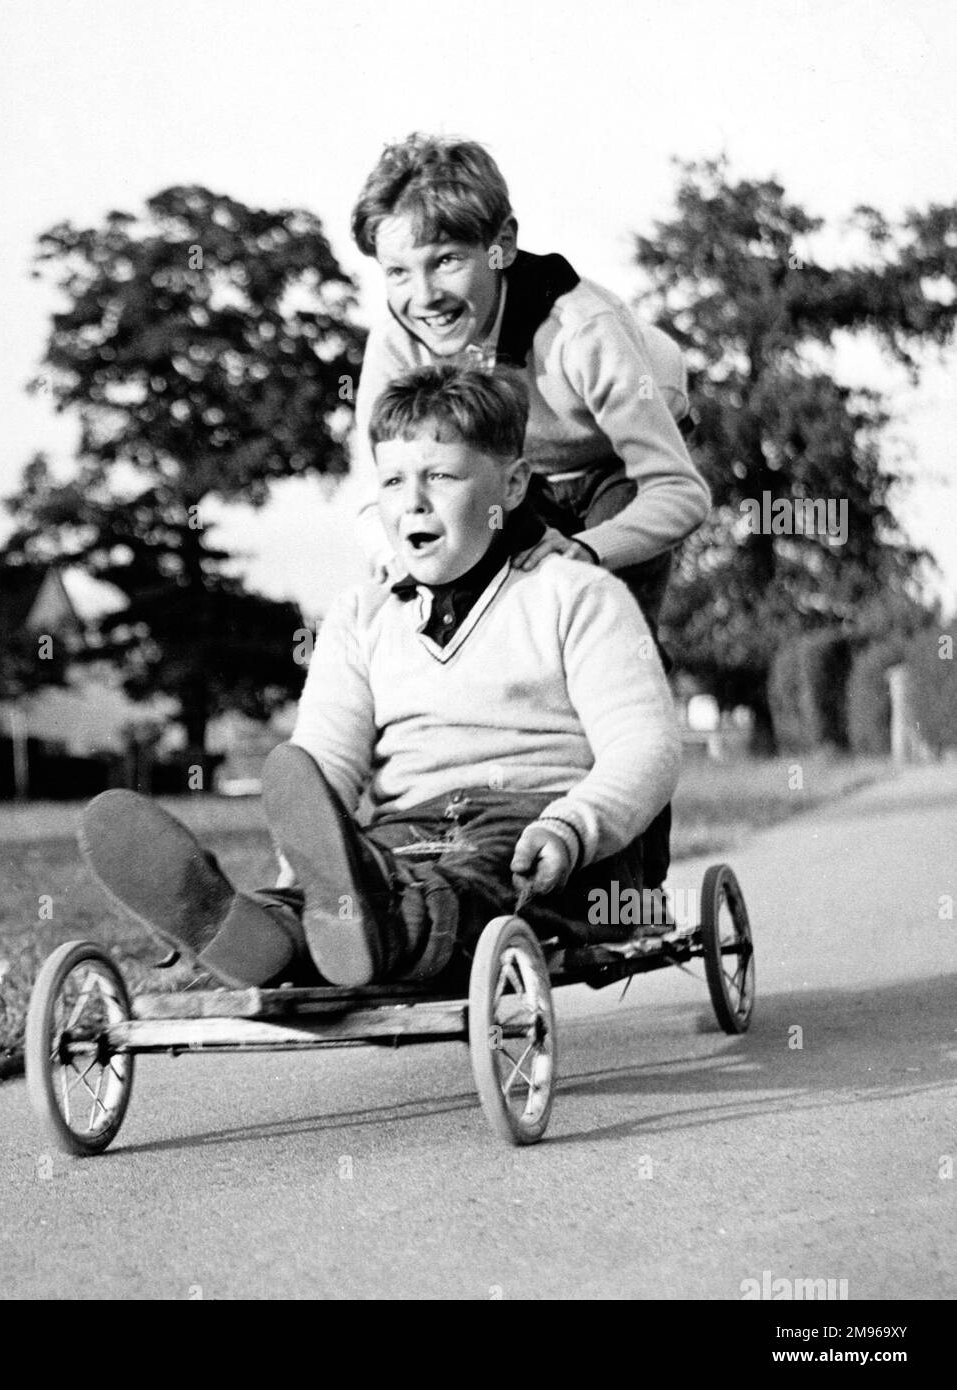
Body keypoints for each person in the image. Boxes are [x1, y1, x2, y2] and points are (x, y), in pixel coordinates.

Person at [78, 365, 681, 991]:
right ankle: (258, 930)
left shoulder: (576, 594)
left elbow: (645, 748)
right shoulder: (363, 615)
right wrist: (303, 863)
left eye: (441, 476)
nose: (412, 500)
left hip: (546, 832)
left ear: (514, 484)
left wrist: (574, 824)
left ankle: (365, 925)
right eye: (393, 480)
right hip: (409, 834)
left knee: (465, 887)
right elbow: (321, 770)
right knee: (371, 879)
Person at [346, 132, 709, 886]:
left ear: (502, 245)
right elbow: (375, 488)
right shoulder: (399, 340)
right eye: (398, 272)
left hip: (617, 458)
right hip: (514, 469)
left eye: (447, 260)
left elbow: (681, 493)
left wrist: (588, 553)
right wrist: (393, 563)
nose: (424, 295)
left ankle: (627, 876)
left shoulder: (583, 331)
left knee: (616, 640)